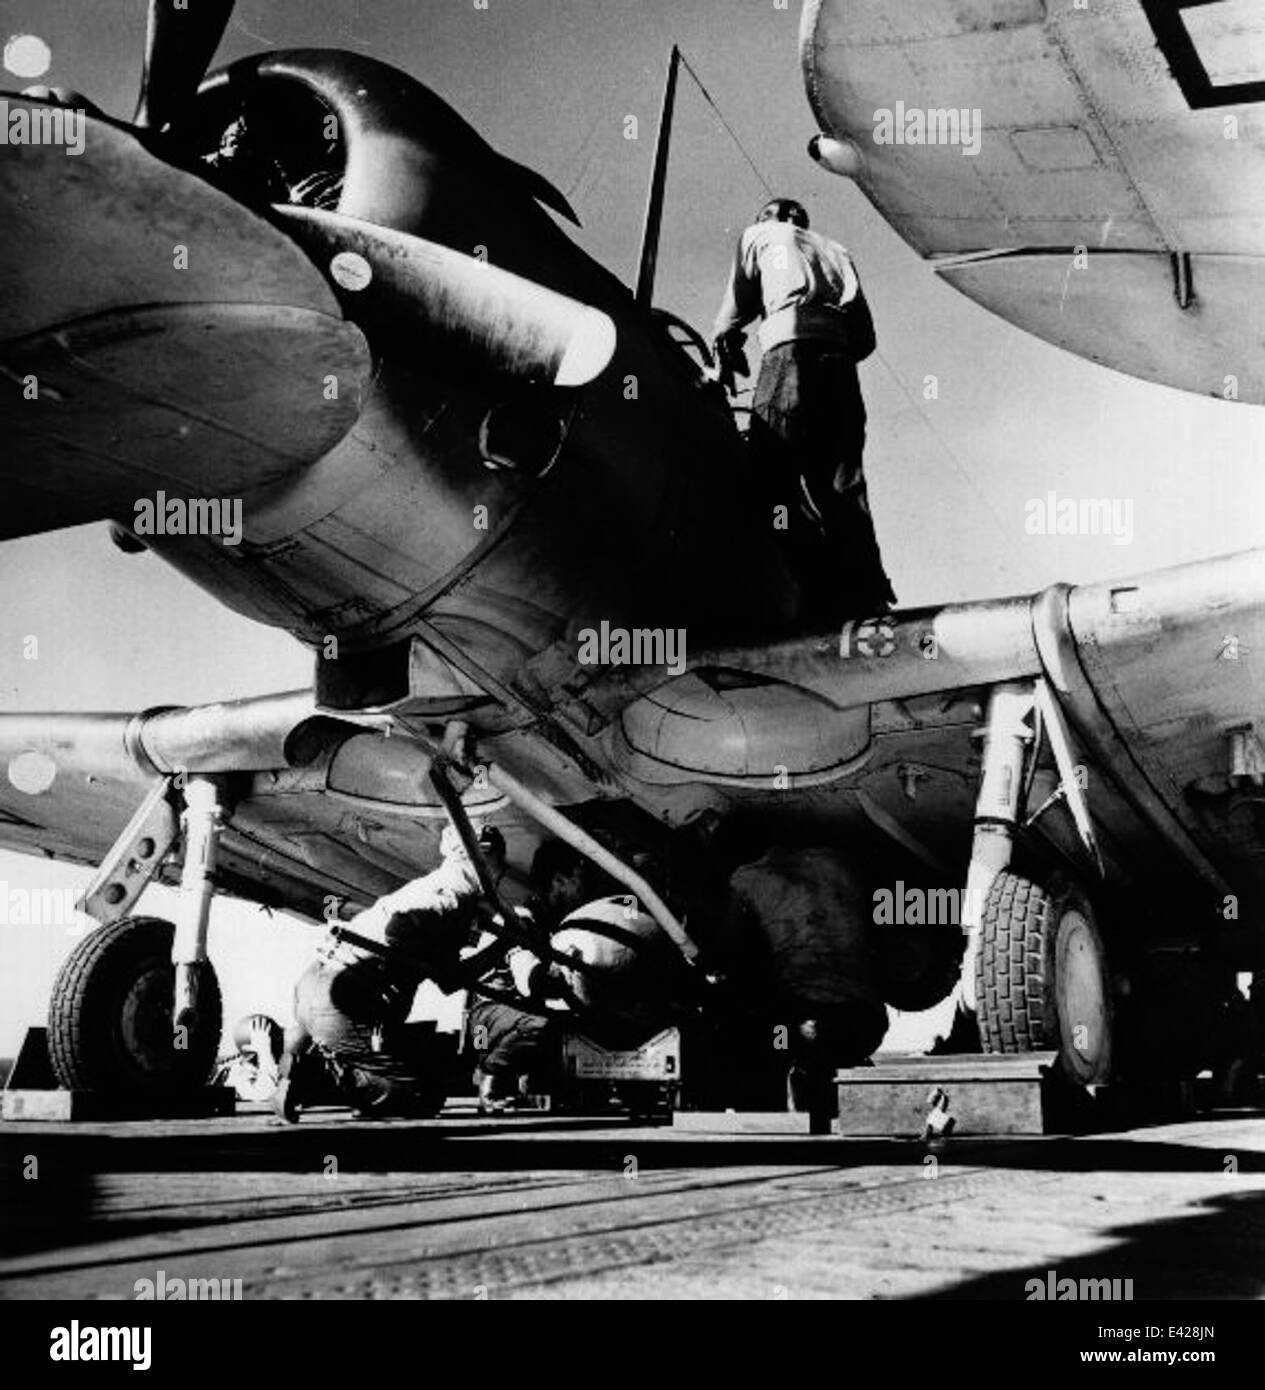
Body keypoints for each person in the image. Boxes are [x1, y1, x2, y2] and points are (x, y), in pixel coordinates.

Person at [712, 197, 895, 620]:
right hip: (841, 365)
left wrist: (724, 348)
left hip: (788, 354)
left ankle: (802, 590)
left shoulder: (759, 236)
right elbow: (865, 338)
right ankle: (867, 593)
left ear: (767, 218)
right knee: (842, 484)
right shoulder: (836, 250)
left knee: (769, 475)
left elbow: (733, 313)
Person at [275, 823, 507, 1122]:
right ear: (483, 856)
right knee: (421, 1096)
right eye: (501, 860)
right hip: (344, 998)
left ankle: (300, 1062)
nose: (503, 871)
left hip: (312, 986)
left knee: (403, 1062)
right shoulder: (455, 895)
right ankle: (315, 1078)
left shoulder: (432, 885)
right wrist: (504, 945)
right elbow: (443, 973)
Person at [717, 845, 888, 1131]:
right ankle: (835, 1080)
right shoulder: (842, 861)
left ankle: (786, 1100)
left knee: (771, 1040)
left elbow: (730, 950)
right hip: (866, 1020)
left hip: (800, 1023)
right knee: (823, 1049)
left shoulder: (747, 878)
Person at [465, 840, 597, 1111]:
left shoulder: (548, 923)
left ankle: (532, 1080)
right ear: (560, 881)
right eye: (580, 881)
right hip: (483, 1021)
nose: (585, 891)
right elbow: (531, 984)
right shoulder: (521, 920)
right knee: (544, 1023)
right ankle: (491, 1077)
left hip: (509, 1016)